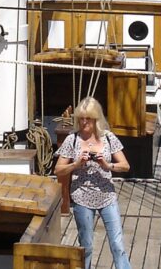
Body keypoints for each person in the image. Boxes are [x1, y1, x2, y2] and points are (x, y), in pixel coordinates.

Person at [54, 97, 132, 269]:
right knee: (86, 246)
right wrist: (76, 164)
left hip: (107, 196)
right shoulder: (72, 140)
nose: (83, 122)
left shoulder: (109, 138)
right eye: (80, 118)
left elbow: (125, 166)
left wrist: (107, 165)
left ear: (96, 118)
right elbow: (58, 170)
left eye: (87, 118)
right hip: (82, 198)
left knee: (118, 245)